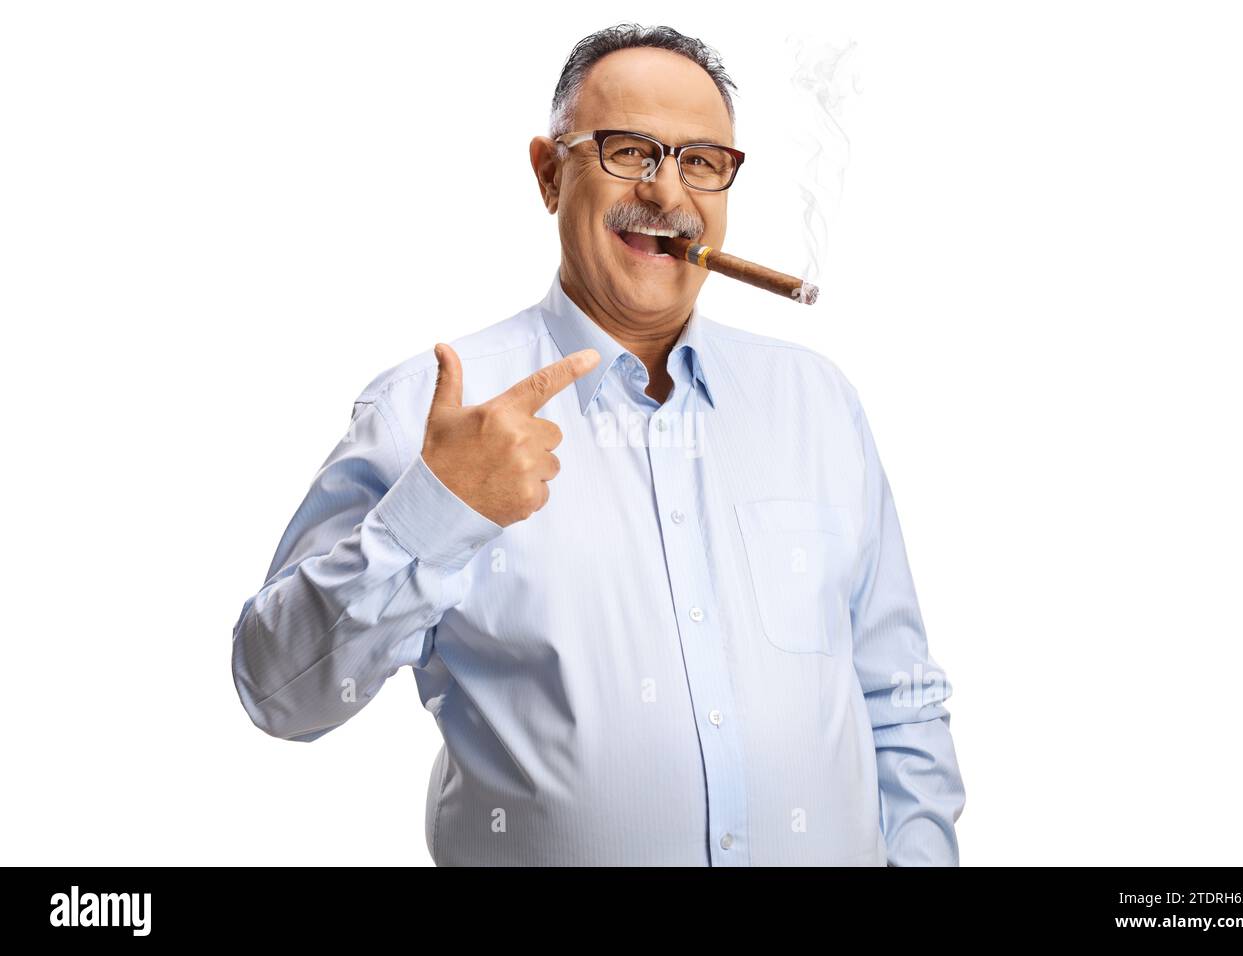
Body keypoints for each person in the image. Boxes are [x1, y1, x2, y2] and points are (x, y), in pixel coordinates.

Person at [231, 23, 966, 866]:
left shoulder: (819, 405)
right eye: (629, 151)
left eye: (700, 161)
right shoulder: (435, 411)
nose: (666, 193)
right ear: (550, 174)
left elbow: (901, 706)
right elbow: (279, 692)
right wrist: (433, 513)